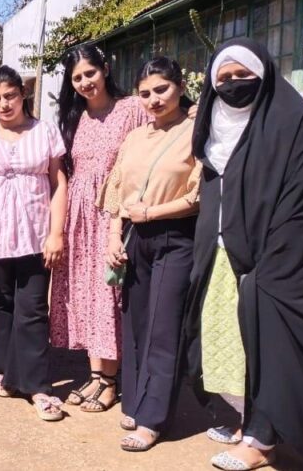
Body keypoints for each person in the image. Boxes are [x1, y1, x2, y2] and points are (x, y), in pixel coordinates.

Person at [184, 38, 303, 470]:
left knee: (276, 345)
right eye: (224, 78)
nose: (233, 85)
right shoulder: (216, 124)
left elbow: (299, 203)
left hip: (278, 260)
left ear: (265, 75)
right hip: (222, 254)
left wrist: (266, 258)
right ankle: (247, 419)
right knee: (233, 342)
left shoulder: (293, 121)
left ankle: (262, 438)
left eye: (243, 76)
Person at [101, 58, 199, 451]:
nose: (154, 100)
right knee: (137, 323)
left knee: (162, 326)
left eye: (161, 89)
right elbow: (116, 186)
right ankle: (138, 402)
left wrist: (153, 212)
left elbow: (200, 194)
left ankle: (153, 419)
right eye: (145, 93)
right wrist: (113, 235)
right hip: (133, 238)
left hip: (176, 236)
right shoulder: (136, 137)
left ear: (178, 85)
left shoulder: (197, 131)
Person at [0, 67, 67, 421]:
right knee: (3, 305)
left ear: (22, 94)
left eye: (9, 95)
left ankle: (38, 387)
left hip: (36, 236)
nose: (4, 104)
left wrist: (56, 233)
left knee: (33, 308)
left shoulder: (45, 132)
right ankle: (5, 372)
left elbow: (58, 184)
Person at [51, 44, 147, 413]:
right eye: (77, 78)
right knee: (86, 295)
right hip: (79, 218)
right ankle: (96, 374)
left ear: (105, 69)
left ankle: (110, 380)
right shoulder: (74, 117)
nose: (85, 82)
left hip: (113, 215)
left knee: (109, 295)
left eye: (90, 73)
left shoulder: (132, 109)